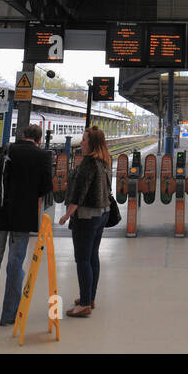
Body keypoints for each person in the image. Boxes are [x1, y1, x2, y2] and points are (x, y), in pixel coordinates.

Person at [0, 123, 52, 326]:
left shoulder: (7, 149)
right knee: (15, 264)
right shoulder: (42, 156)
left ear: (22, 135)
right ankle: (9, 315)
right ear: (38, 139)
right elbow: (45, 188)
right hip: (23, 217)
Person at [58, 127, 111, 317]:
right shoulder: (104, 161)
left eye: (84, 140)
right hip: (101, 213)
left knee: (82, 259)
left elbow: (80, 193)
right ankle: (89, 297)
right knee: (92, 256)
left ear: (92, 143)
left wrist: (66, 215)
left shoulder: (88, 163)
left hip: (87, 216)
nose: (81, 142)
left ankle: (85, 304)